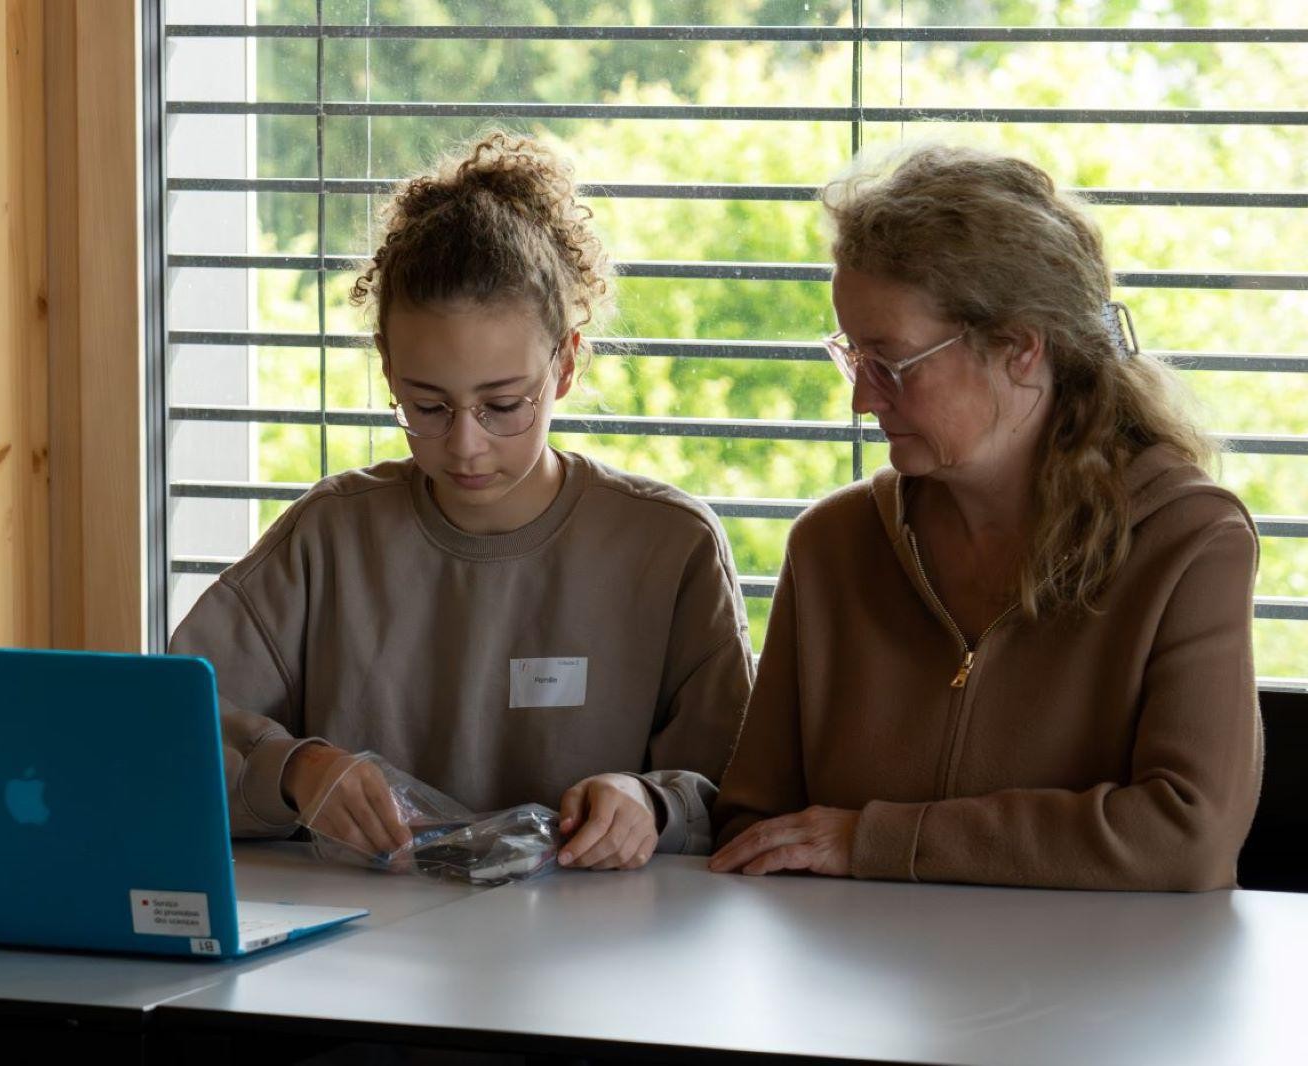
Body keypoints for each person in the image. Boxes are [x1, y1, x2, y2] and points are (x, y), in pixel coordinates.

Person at [172, 130, 752, 870]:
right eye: (428, 406)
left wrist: (651, 804)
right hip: (358, 958)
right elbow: (165, 735)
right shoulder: (329, 538)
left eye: (504, 405)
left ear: (566, 364)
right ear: (387, 369)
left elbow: (740, 791)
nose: (466, 445)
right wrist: (291, 771)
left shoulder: (669, 547)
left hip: (596, 960)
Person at [710, 143, 1263, 891]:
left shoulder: (1189, 541)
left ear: (1020, 348)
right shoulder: (831, 546)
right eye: (852, 356)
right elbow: (754, 831)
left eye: (892, 362)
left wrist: (873, 841)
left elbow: (1185, 835)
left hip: (1104, 1001)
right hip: (860, 997)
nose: (862, 400)